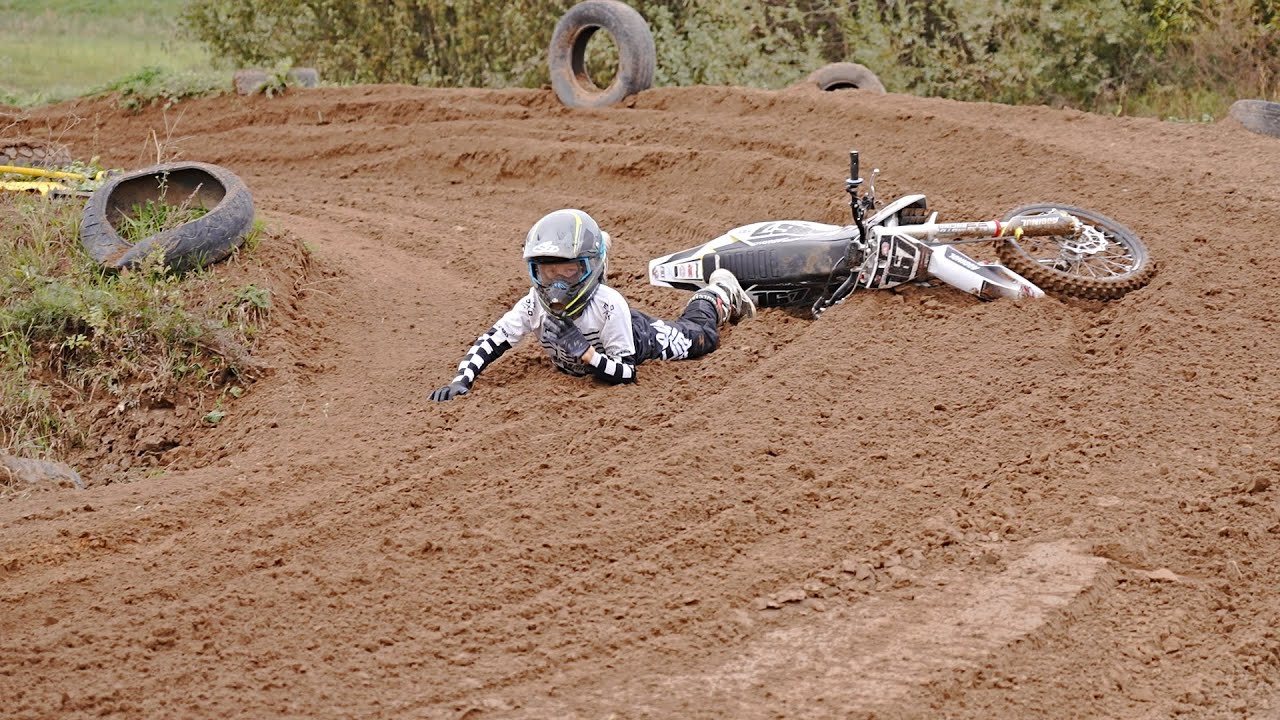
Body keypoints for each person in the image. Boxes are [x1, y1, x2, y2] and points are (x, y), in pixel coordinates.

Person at [429, 208, 755, 401]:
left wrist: (583, 351)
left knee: (700, 337)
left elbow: (626, 371)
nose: (557, 284)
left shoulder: (610, 305)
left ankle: (718, 294)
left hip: (640, 337)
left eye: (569, 271)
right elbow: (492, 340)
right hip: (604, 332)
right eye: (546, 271)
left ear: (588, 267)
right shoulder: (533, 304)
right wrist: (462, 380)